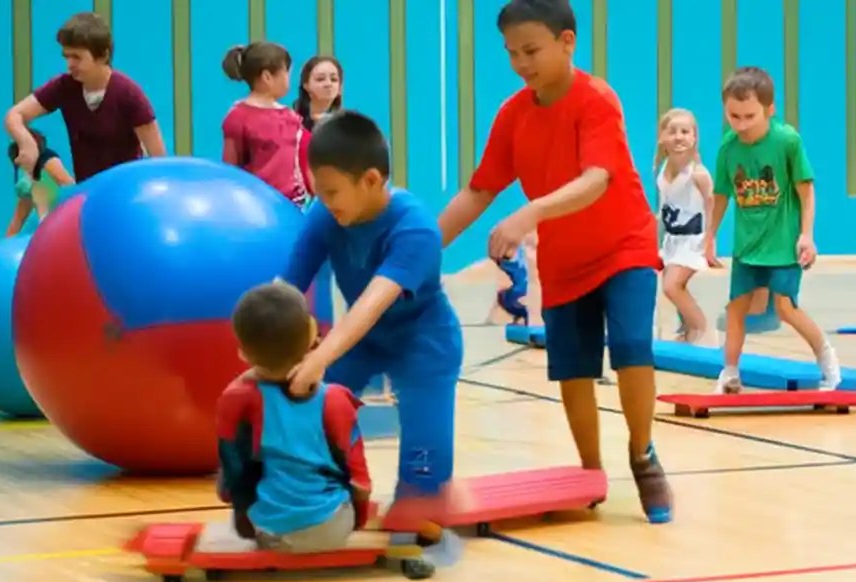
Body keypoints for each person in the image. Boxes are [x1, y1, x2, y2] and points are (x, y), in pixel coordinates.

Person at [437, 0, 672, 524]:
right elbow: (478, 191)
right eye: (511, 53)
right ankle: (590, 472)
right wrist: (422, 252)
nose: (521, 63)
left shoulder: (596, 100)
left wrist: (528, 215)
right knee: (573, 370)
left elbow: (597, 179)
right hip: (566, 261)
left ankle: (643, 455)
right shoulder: (513, 115)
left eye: (531, 50)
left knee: (633, 345)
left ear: (567, 42)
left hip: (624, 245)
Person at [281, 110, 464, 540]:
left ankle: (421, 496)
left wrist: (317, 358)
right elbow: (287, 287)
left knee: (421, 497)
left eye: (332, 192)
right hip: (363, 339)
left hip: (424, 341)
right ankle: (330, 496)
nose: (325, 203)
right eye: (319, 193)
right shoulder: (325, 215)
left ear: (371, 179)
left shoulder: (415, 228)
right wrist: (261, 346)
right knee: (315, 403)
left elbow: (369, 306)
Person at [704, 67, 841, 394]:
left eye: (749, 116)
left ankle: (827, 358)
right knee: (736, 306)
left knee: (785, 306)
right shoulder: (728, 148)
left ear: (769, 109)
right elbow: (721, 195)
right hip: (747, 246)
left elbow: (806, 191)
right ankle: (730, 372)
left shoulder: (787, 141)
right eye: (733, 116)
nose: (741, 124)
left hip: (782, 245)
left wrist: (807, 235)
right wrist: (710, 236)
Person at [211, 281, 371, 554]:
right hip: (332, 529)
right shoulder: (335, 399)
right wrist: (358, 520)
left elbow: (230, 478)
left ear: (243, 353)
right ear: (313, 337)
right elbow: (360, 481)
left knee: (237, 469)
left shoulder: (236, 399)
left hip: (269, 534)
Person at [3, 12, 166, 183]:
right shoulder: (64, 87)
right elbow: (14, 115)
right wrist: (26, 142)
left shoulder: (129, 94)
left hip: (124, 191)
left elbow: (159, 160)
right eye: (67, 56)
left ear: (103, 55)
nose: (70, 64)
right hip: (88, 190)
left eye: (77, 57)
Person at [654, 108, 717, 344]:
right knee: (669, 285)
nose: (679, 137)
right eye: (672, 132)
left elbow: (712, 205)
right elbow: (664, 209)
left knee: (672, 285)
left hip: (693, 240)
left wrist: (710, 240)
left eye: (685, 132)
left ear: (694, 137)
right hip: (672, 240)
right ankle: (688, 329)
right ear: (662, 137)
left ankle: (701, 329)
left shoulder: (698, 174)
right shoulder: (662, 171)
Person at [221, 41, 307, 205]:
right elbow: (230, 168)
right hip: (257, 203)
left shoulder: (290, 116)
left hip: (292, 202)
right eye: (286, 73)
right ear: (267, 77)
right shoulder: (238, 116)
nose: (289, 80)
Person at [292, 55, 345, 204]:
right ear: (306, 85)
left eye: (334, 79)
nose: (328, 84)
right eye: (320, 79)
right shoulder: (292, 123)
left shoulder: (346, 127)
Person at [6, 129, 74, 237]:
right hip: (45, 229)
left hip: (63, 222)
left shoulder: (46, 159)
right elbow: (18, 218)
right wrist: (4, 246)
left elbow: (70, 186)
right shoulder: (26, 180)